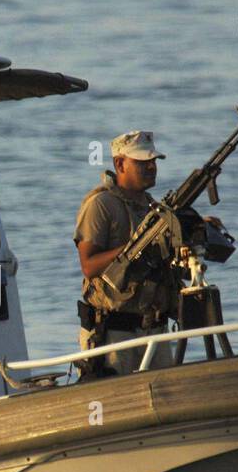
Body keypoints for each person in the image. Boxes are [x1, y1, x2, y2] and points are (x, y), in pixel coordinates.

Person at [73, 130, 178, 376]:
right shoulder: (101, 205)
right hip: (114, 332)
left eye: (153, 162)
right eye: (142, 162)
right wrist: (133, 248)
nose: (151, 167)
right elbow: (88, 265)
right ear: (120, 163)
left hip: (154, 329)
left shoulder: (155, 209)